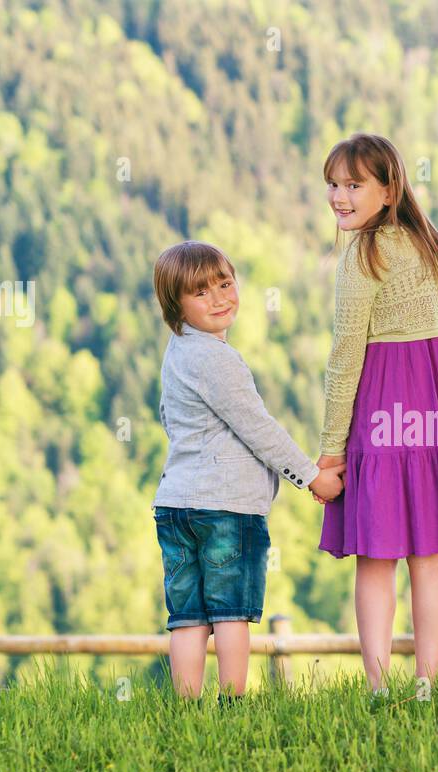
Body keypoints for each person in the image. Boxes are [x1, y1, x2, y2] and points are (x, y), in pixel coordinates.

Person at [315, 133, 438, 701]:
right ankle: (425, 685)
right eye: (333, 185)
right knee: (429, 554)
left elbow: (346, 354)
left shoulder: (363, 255)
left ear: (388, 189)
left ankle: (378, 689)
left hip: (385, 403)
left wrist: (331, 448)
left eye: (353, 185)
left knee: (376, 556)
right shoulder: (431, 245)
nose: (339, 197)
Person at [151, 240, 346, 703]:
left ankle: (186, 707)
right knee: (231, 613)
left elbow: (167, 416)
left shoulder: (177, 352)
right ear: (175, 305)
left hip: (175, 505)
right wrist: (311, 476)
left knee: (188, 616)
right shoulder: (217, 360)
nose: (220, 298)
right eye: (202, 293)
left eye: (225, 284)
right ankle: (233, 703)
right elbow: (259, 429)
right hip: (225, 509)